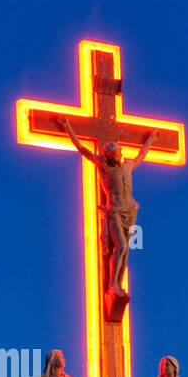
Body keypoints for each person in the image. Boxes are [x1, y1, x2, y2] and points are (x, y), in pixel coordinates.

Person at [58, 118, 156, 303]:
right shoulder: (104, 167)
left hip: (130, 209)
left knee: (125, 251)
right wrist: (67, 126)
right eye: (113, 153)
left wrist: (151, 138)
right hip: (115, 211)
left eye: (118, 152)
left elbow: (142, 154)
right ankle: (112, 284)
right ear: (108, 155)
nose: (117, 155)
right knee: (121, 246)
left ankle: (119, 284)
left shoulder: (128, 166)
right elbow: (82, 149)